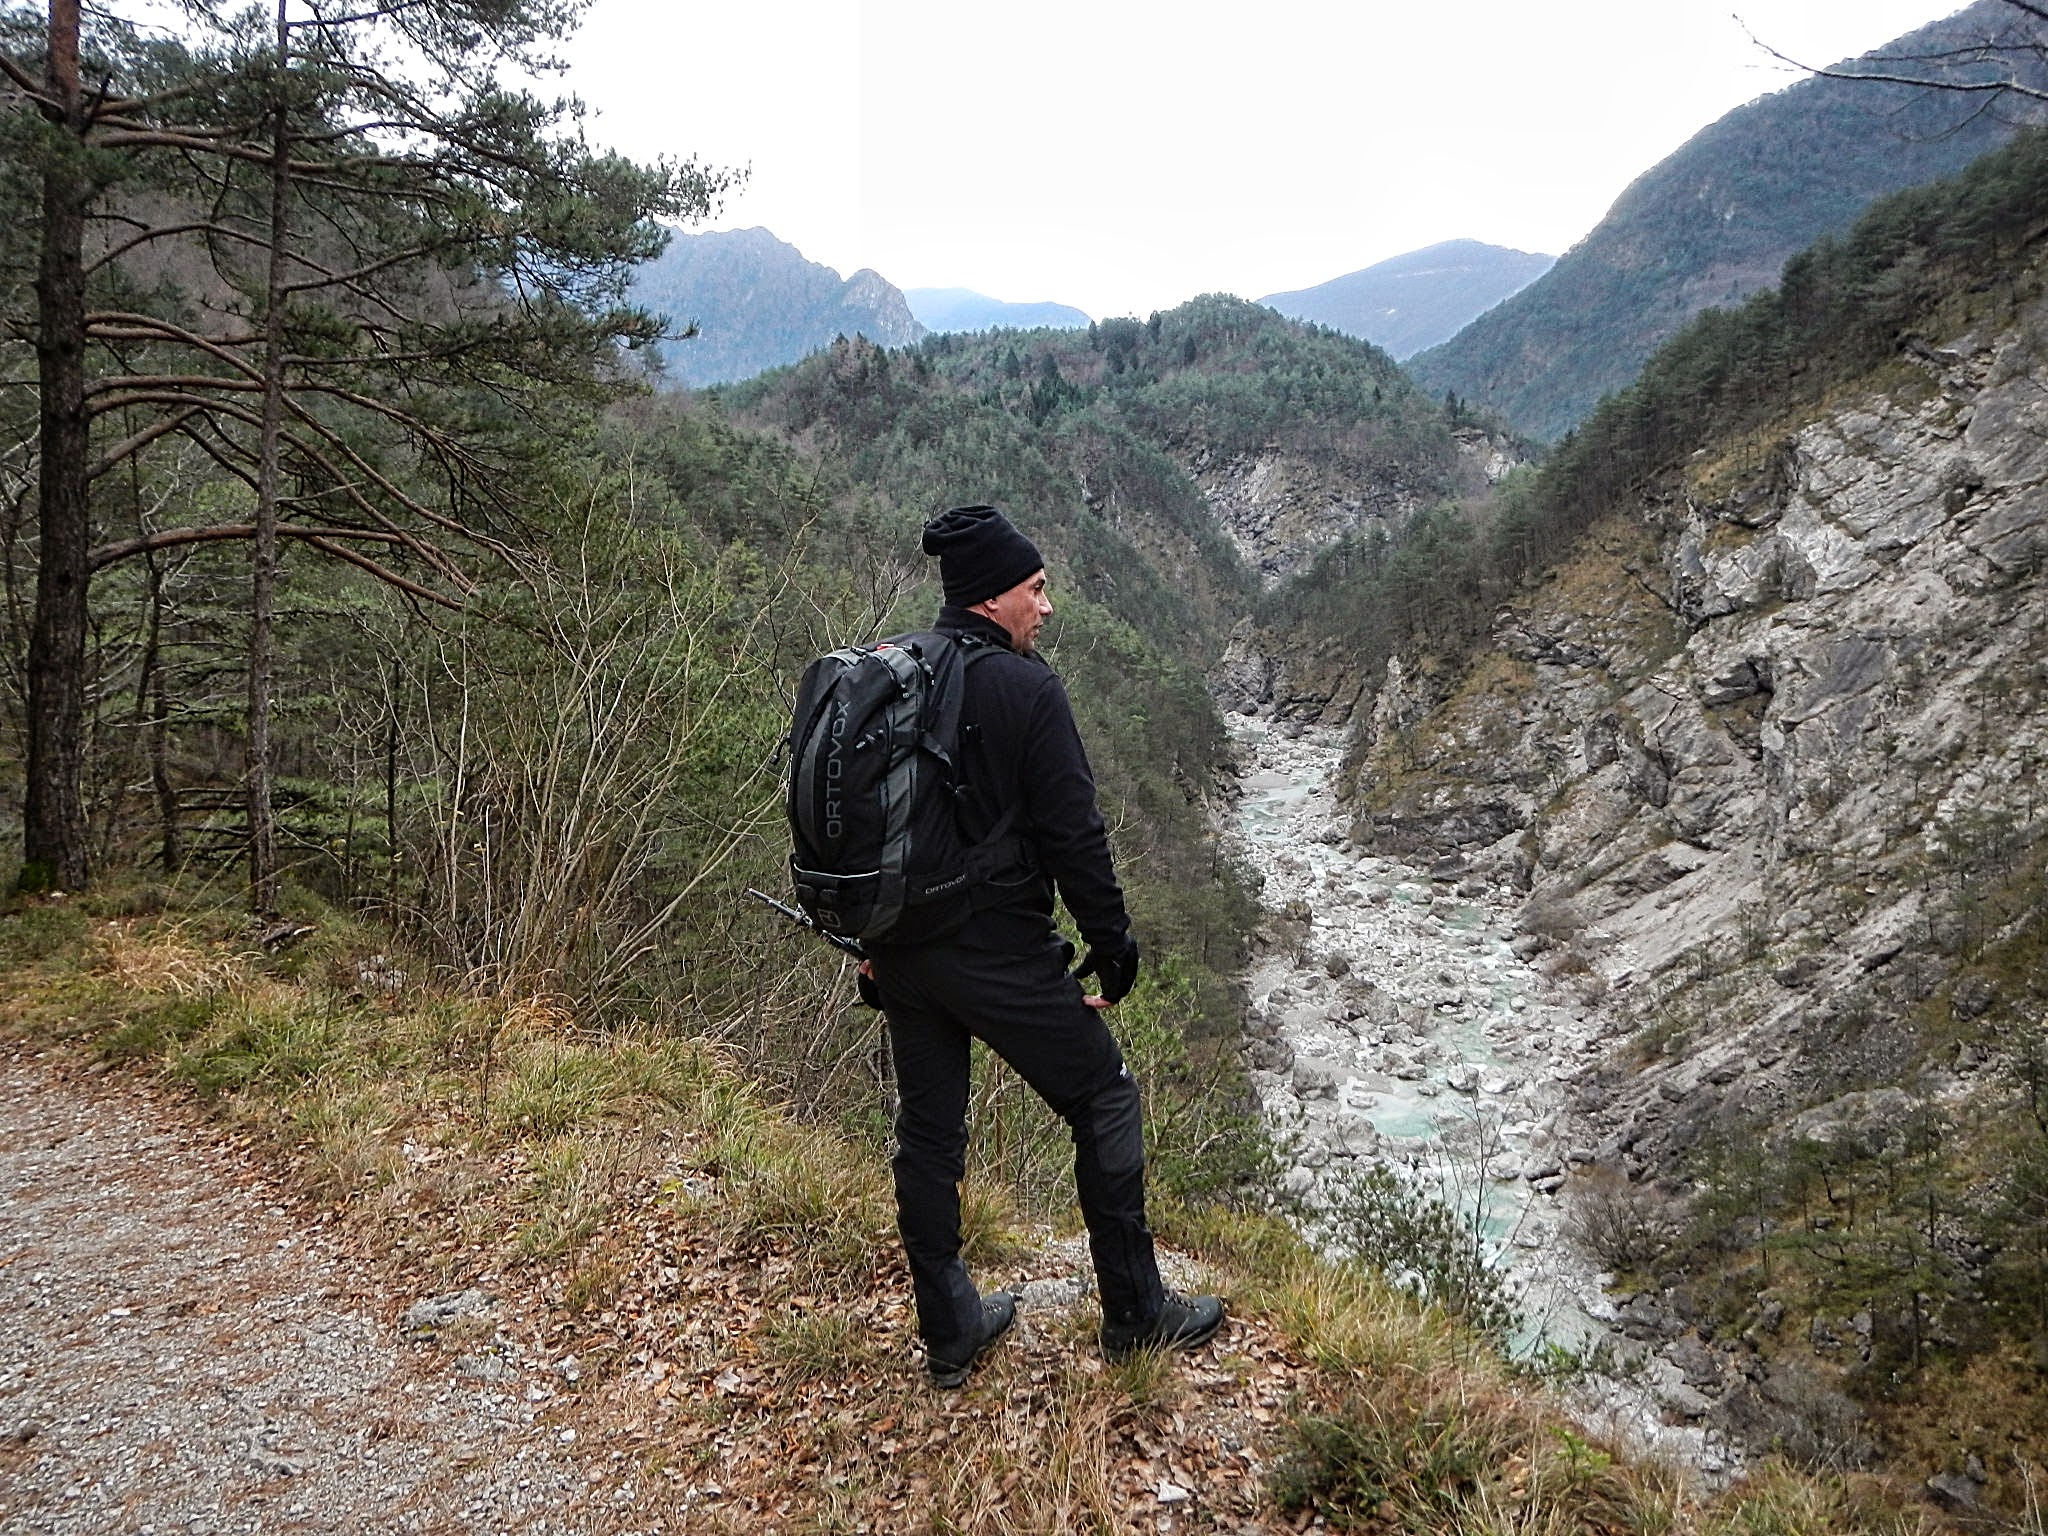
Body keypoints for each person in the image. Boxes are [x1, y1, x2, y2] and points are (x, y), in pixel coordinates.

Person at [862, 503, 1224, 1388]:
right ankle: (1136, 1314)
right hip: (997, 952)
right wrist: (1112, 944)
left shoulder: (898, 669)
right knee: (1102, 1096)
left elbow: (866, 825)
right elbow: (1076, 836)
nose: (1047, 607)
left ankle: (950, 1330)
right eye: (1037, 588)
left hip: (903, 951)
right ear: (994, 598)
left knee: (929, 1135)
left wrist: (866, 938)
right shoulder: (1028, 690)